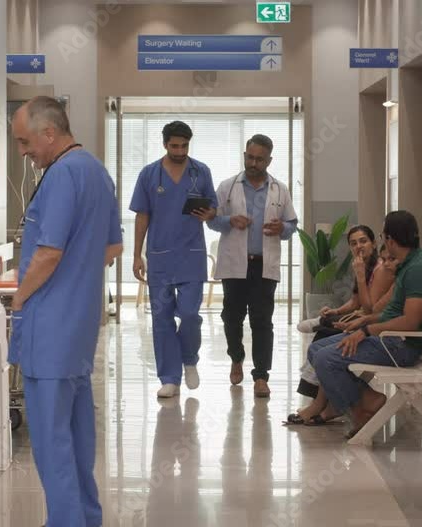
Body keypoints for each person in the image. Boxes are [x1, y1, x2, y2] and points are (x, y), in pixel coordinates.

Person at [9, 96, 122, 527]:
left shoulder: (60, 176)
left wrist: (20, 296)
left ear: (49, 133)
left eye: (25, 142)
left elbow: (48, 252)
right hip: (77, 329)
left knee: (51, 442)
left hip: (49, 329)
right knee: (77, 438)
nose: (23, 152)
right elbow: (112, 246)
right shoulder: (96, 172)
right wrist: (79, 274)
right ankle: (84, 518)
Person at [308, 210, 422, 438]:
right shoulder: (408, 265)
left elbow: (410, 322)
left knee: (325, 359)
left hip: (402, 346)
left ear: (390, 240)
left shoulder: (418, 270)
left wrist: (365, 330)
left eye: (382, 237)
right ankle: (368, 400)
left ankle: (358, 410)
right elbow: (388, 311)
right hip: (389, 336)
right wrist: (366, 320)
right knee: (316, 349)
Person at [130, 121, 218, 398]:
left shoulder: (200, 171)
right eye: (174, 146)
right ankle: (169, 378)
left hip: (191, 255)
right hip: (160, 256)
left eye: (184, 146)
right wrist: (136, 254)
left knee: (190, 314)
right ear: (165, 144)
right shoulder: (149, 175)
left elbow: (213, 208)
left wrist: (209, 214)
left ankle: (189, 359)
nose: (179, 151)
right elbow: (142, 215)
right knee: (162, 317)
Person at [207, 134, 298, 397]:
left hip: (263, 265)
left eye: (259, 159)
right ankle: (236, 357)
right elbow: (211, 220)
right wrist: (228, 222)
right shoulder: (227, 186)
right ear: (245, 155)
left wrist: (283, 228)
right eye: (250, 157)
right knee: (231, 317)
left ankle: (261, 376)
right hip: (236, 264)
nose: (253, 162)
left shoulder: (279, 189)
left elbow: (292, 224)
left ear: (269, 160)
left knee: (262, 320)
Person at [288, 226, 396, 424]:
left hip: (374, 330)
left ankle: (324, 405)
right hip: (364, 323)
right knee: (322, 341)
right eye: (354, 243)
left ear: (373, 243)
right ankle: (327, 405)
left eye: (363, 241)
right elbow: (357, 301)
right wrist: (337, 311)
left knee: (324, 343)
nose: (359, 246)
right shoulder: (363, 265)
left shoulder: (380, 269)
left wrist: (361, 277)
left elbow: (369, 307)